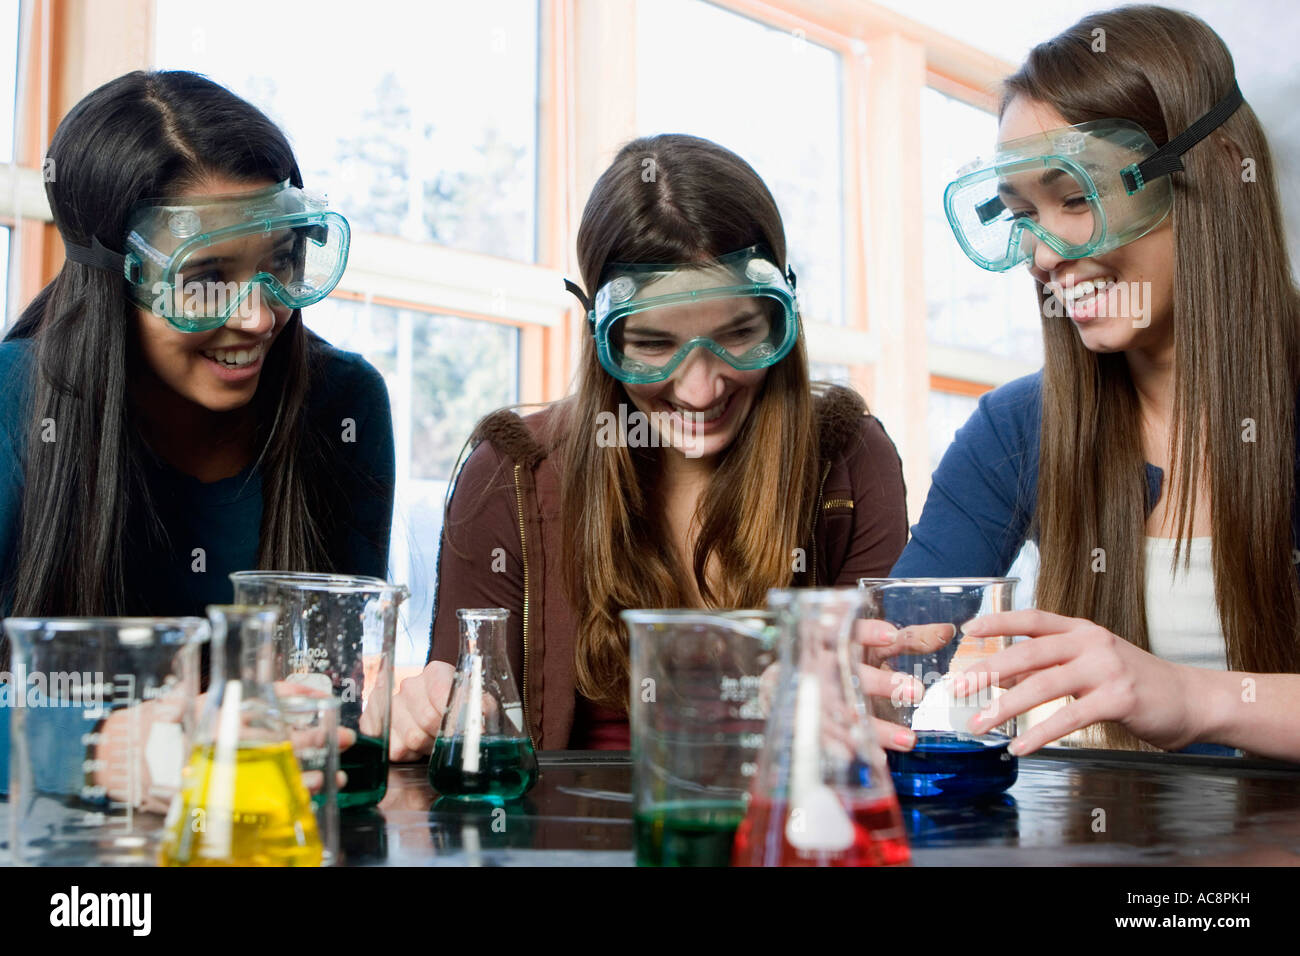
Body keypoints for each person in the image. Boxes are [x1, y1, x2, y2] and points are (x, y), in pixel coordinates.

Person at [390, 133, 910, 758]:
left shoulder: (848, 459)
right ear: (600, 338)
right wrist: (427, 711)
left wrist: (833, 697)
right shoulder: (512, 472)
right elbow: (457, 709)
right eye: (655, 345)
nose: (699, 388)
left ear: (782, 317)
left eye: (739, 333)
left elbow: (889, 707)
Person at [891, 6, 1300, 762]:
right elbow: (902, 647)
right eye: (1024, 216)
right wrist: (855, 677)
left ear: (1209, 166)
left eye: (1077, 199)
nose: (1044, 258)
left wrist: (1193, 698)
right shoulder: (1016, 430)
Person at [0, 70, 395, 792]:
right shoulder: (11, 403)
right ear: (115, 278)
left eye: (280, 265)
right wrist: (101, 746)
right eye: (206, 277)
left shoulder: (344, 405)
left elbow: (341, 691)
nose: (258, 316)